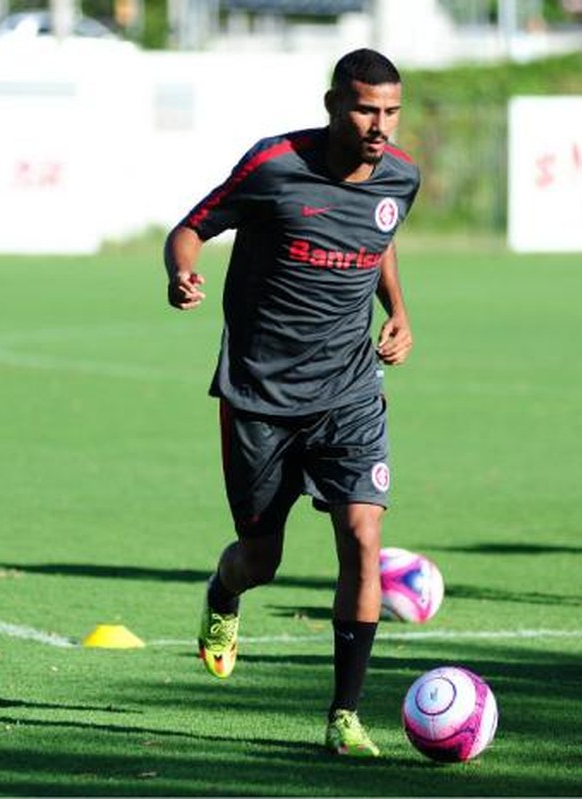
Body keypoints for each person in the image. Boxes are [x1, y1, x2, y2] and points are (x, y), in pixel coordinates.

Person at [164, 48, 419, 756]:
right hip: (261, 396)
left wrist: (396, 310)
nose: (380, 126)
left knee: (364, 538)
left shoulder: (401, 175)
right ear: (334, 102)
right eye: (367, 109)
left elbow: (381, 234)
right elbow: (191, 227)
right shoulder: (273, 166)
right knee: (260, 557)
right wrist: (183, 273)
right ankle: (222, 591)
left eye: (392, 111)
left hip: (350, 391)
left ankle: (343, 714)